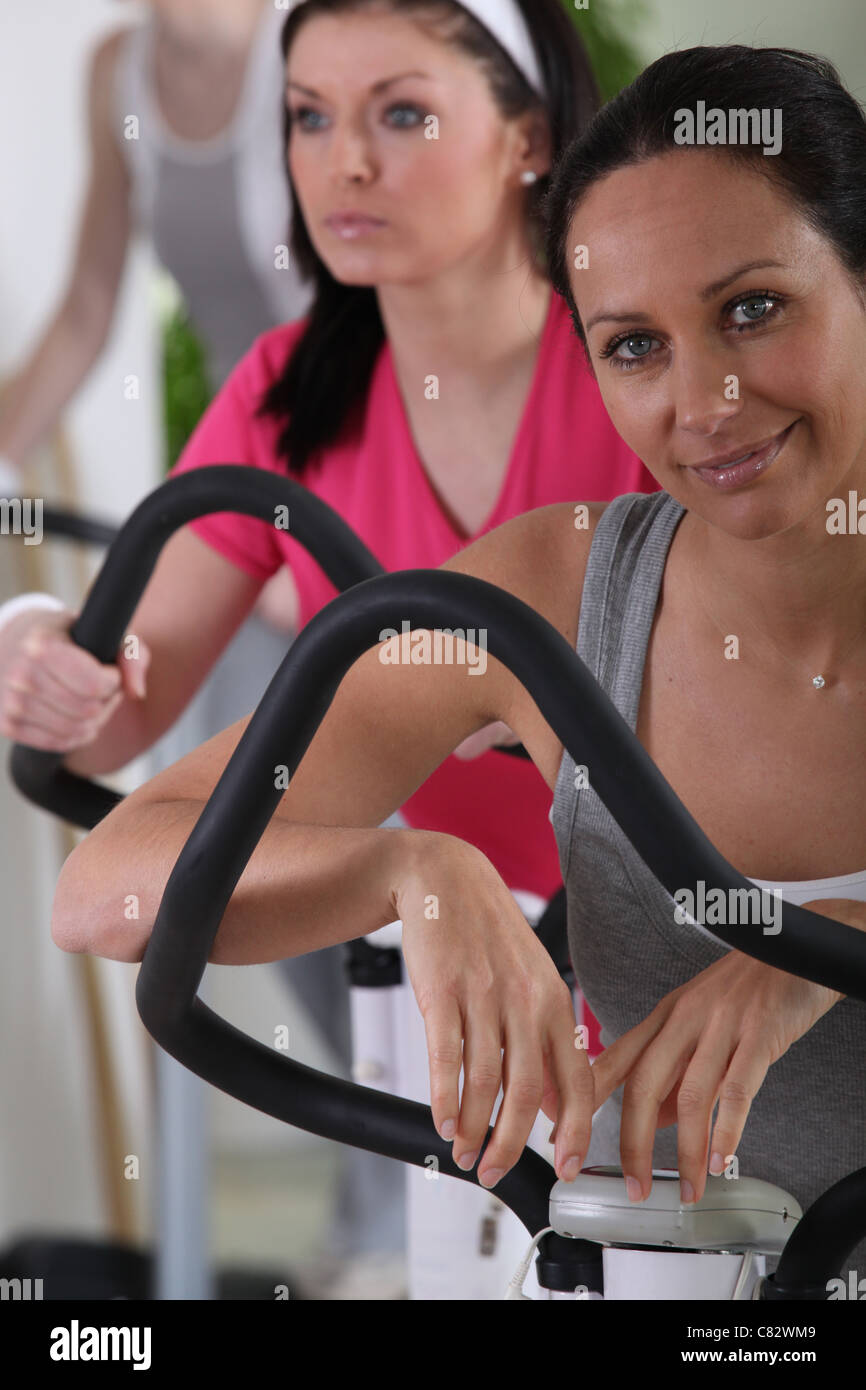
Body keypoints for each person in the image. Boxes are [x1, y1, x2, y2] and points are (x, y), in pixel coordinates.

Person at [51, 41, 866, 1289]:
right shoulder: (552, 587)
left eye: (751, 308)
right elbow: (106, 892)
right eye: (632, 347)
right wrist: (407, 871)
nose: (701, 401)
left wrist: (822, 943)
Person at [0, 0, 656, 1291]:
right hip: (438, 997)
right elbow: (115, 699)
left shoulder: (639, 368)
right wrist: (31, 645)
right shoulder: (281, 396)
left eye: (399, 114)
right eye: (306, 117)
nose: (339, 162)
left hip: (661, 983)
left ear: (528, 139)